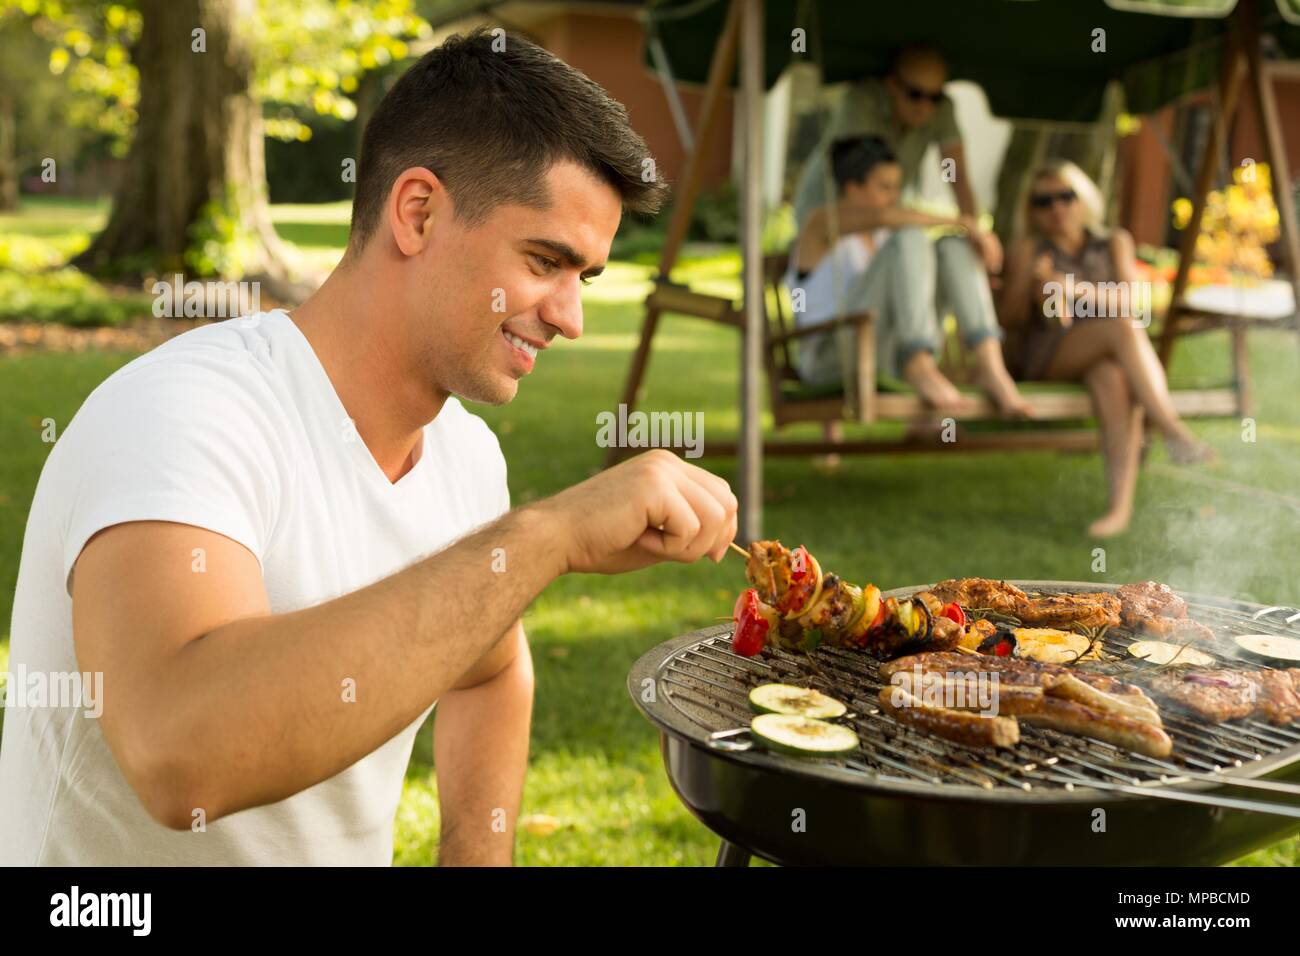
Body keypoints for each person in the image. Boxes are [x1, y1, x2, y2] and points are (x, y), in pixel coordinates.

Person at [0, 29, 737, 866]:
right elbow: (180, 756)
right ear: (417, 211)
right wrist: (543, 538)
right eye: (545, 261)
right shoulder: (182, 414)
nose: (570, 316)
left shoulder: (464, 459)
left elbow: (491, 671)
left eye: (586, 278)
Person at [790, 45, 1028, 416]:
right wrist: (960, 222)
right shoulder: (820, 225)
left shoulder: (889, 241)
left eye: (935, 97)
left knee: (951, 248)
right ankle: (917, 361)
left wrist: (969, 233)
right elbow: (890, 219)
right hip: (830, 359)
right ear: (851, 187)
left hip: (879, 348)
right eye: (886, 188)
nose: (895, 199)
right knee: (913, 236)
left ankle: (989, 362)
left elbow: (954, 177)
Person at [999, 159, 1216, 538]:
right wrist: (1029, 282)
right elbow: (1010, 320)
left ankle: (1118, 510)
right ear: (1031, 211)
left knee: (1112, 376)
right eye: (1043, 201)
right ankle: (1171, 430)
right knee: (1123, 329)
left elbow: (1135, 302)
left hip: (1104, 354)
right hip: (1048, 354)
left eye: (1065, 196)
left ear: (1081, 198)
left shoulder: (1113, 241)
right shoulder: (1030, 249)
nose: (1057, 208)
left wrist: (1068, 287)